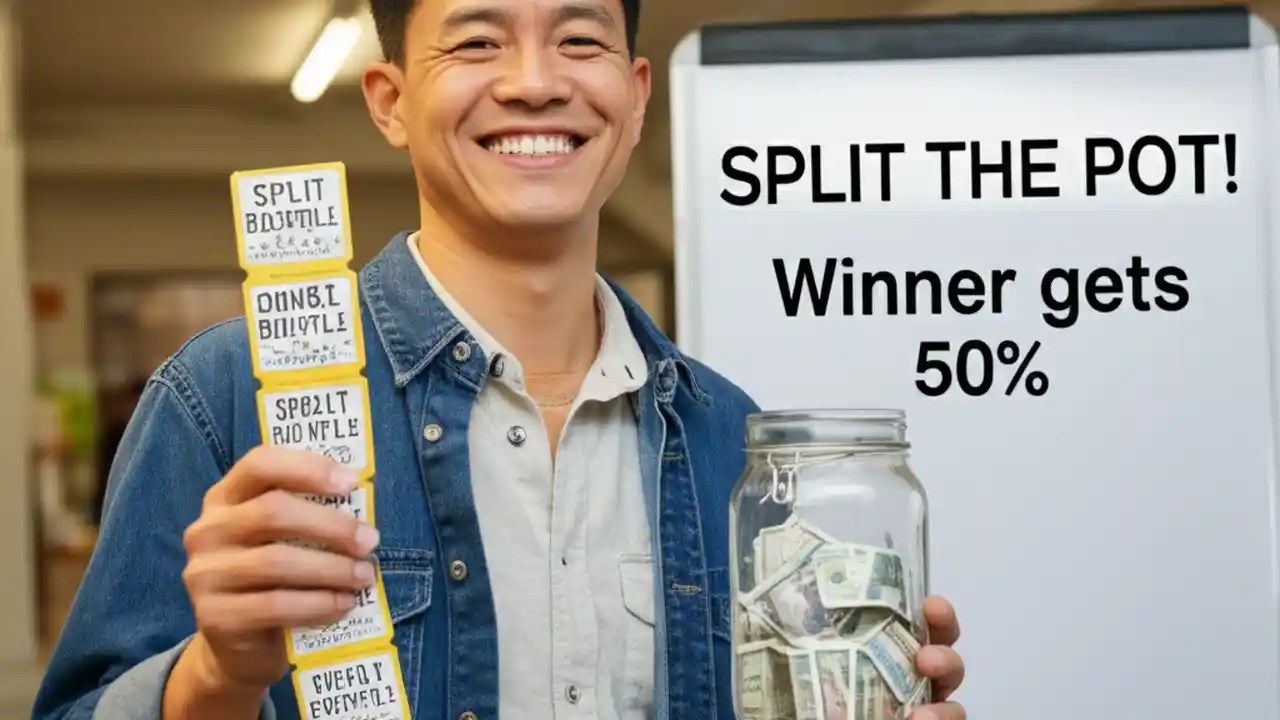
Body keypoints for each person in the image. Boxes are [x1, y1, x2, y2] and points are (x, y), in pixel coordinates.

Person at [32, 1, 968, 718]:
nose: (532, 82)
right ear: (391, 101)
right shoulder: (223, 401)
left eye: (578, 39)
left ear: (636, 97)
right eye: (477, 42)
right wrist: (213, 676)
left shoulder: (736, 440)